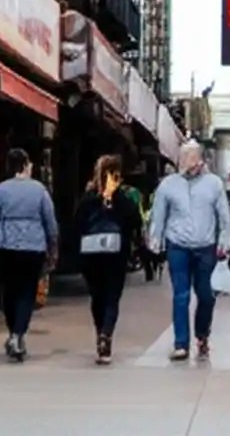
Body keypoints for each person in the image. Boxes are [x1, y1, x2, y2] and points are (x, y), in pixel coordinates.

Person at [147, 141, 230, 360]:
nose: (190, 165)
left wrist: (225, 239)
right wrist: (155, 238)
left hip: (206, 248)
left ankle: (202, 335)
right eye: (185, 160)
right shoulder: (168, 185)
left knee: (206, 295)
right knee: (181, 295)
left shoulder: (214, 184)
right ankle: (181, 343)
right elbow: (158, 214)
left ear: (201, 160)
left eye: (193, 160)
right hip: (178, 247)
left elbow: (224, 215)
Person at [0, 147, 58, 362]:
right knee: (26, 293)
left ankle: (13, 332)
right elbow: (50, 223)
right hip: (33, 249)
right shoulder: (39, 191)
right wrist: (53, 248)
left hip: (7, 248)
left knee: (10, 293)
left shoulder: (0, 191)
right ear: (25, 165)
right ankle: (18, 334)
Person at [74, 155, 142, 365]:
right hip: (116, 254)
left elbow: (77, 223)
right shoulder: (123, 199)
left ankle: (100, 333)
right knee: (112, 297)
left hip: (91, 255)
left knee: (97, 297)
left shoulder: (88, 199)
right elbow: (135, 222)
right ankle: (106, 334)